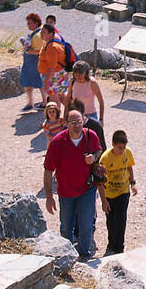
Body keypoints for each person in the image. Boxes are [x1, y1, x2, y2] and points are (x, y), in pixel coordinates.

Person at [43, 109, 103, 261]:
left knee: (86, 225)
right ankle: (66, 256)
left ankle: (83, 253)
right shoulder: (57, 142)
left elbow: (98, 150)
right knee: (66, 227)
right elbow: (48, 170)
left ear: (84, 120)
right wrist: (49, 197)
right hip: (65, 192)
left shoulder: (91, 136)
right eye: (73, 123)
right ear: (65, 124)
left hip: (86, 189)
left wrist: (94, 157)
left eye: (79, 122)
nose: (77, 126)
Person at [98, 129, 136, 255]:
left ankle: (119, 247)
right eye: (119, 147)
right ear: (113, 144)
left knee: (121, 219)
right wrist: (103, 201)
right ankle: (111, 244)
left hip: (123, 191)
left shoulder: (127, 153)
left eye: (124, 147)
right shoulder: (105, 158)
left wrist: (133, 183)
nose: (122, 150)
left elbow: (129, 167)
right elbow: (100, 181)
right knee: (111, 220)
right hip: (109, 194)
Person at [37, 23, 73, 111]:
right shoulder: (53, 43)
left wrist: (46, 82)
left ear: (51, 34)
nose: (41, 34)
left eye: (44, 32)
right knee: (60, 96)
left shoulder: (52, 47)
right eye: (41, 32)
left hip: (54, 76)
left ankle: (56, 121)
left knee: (53, 98)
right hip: (59, 75)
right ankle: (72, 113)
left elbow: (52, 67)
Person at [65, 60, 105, 128]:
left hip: (90, 116)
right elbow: (68, 99)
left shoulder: (92, 83)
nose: (78, 76)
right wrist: (65, 116)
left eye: (80, 73)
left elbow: (101, 101)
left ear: (86, 73)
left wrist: (101, 119)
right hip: (76, 116)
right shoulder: (72, 81)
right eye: (76, 73)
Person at [18, 13, 44, 112]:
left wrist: (29, 51)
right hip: (31, 62)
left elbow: (39, 51)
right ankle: (32, 102)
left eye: (30, 23)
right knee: (34, 82)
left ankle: (40, 102)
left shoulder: (37, 35)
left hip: (33, 62)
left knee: (38, 82)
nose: (28, 25)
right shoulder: (37, 32)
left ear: (36, 23)